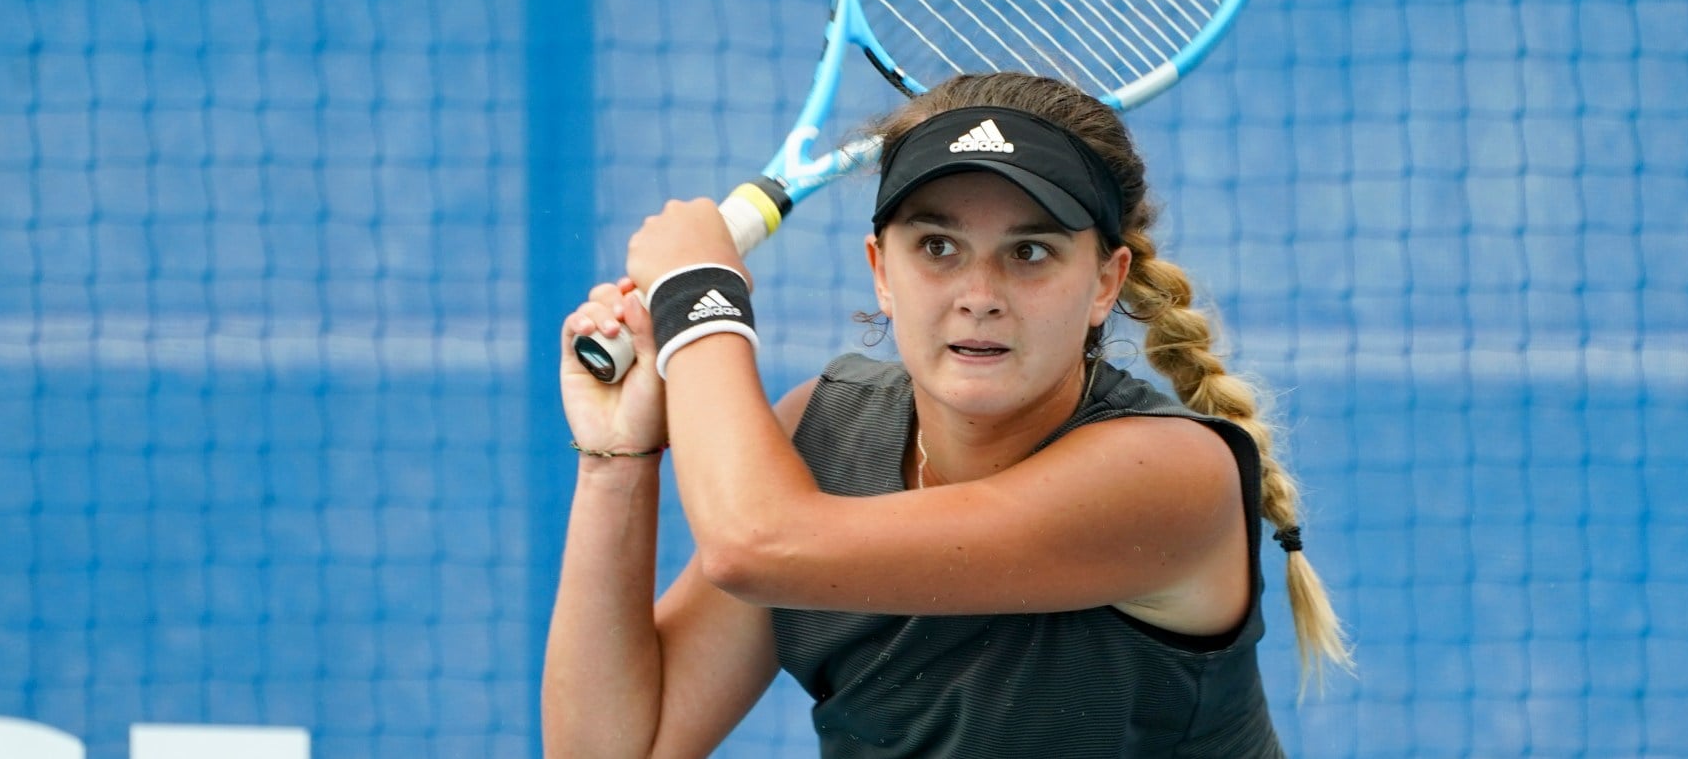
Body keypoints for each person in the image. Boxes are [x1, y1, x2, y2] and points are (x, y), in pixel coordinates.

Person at [544, 72, 1351, 758]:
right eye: (937, 247)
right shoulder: (825, 440)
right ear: (880, 271)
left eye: (1030, 251)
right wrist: (615, 460)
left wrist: (700, 292)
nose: (979, 294)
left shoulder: (1169, 476)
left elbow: (755, 541)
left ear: (1106, 282)